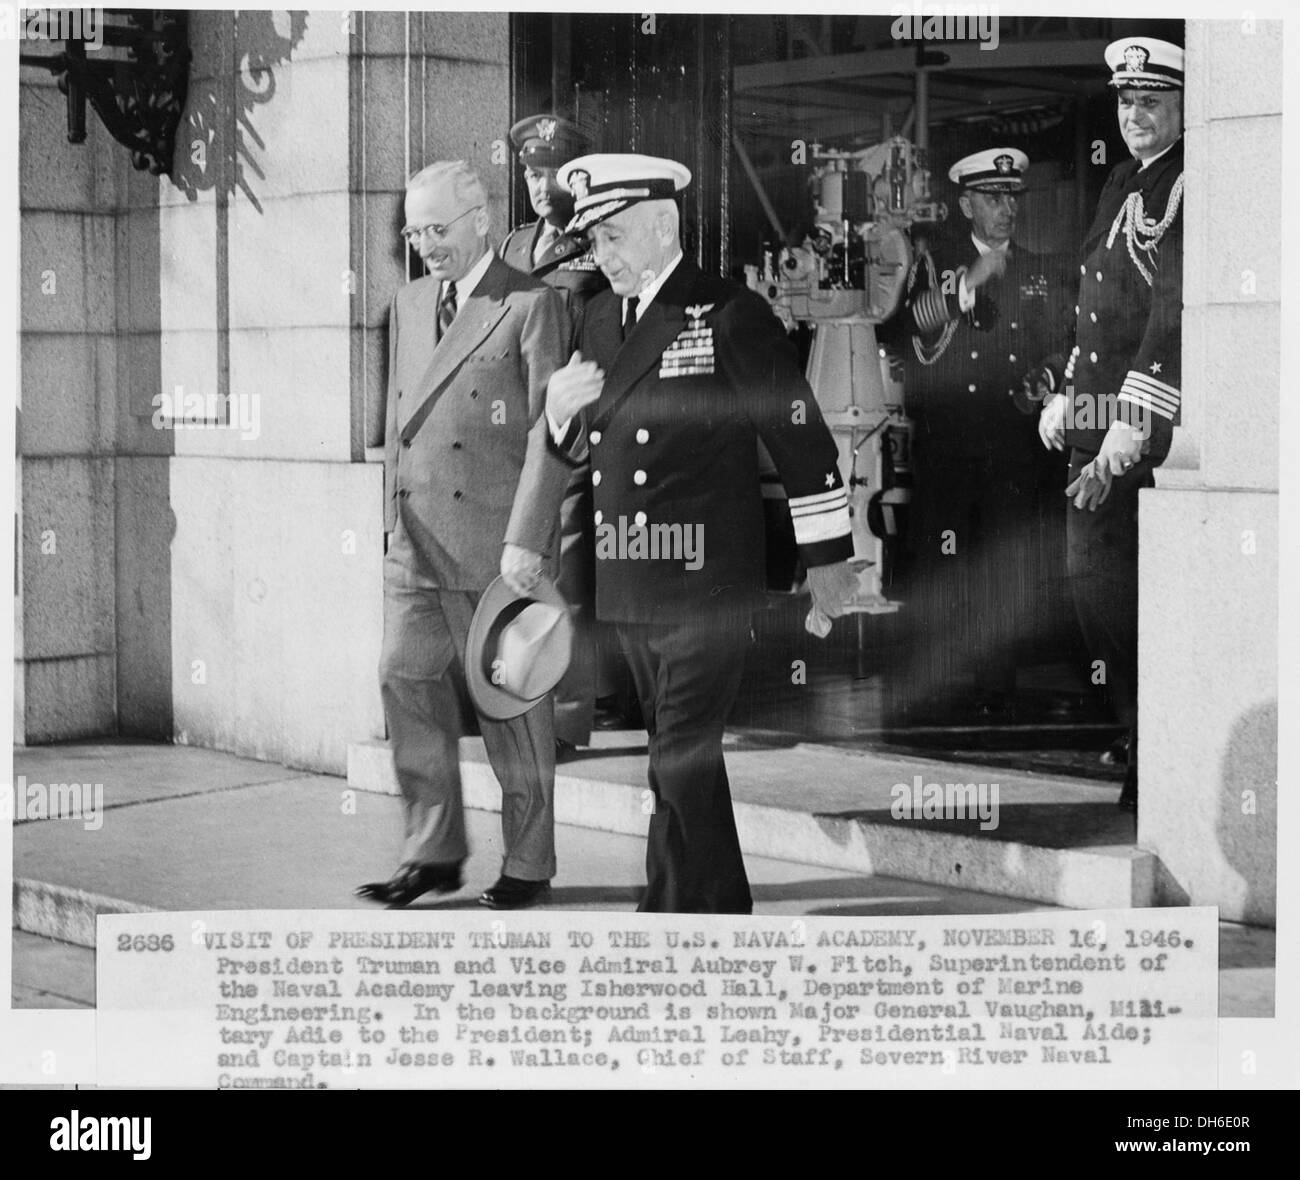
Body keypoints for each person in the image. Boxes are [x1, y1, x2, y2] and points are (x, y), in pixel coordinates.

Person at [544, 154, 859, 914]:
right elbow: (586, 449)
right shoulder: (594, 316)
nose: (605, 257)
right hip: (629, 579)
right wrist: (557, 415)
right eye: (597, 243)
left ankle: (718, 911)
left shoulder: (725, 311)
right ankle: (672, 904)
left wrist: (828, 564)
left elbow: (801, 438)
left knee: (681, 757)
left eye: (616, 237)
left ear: (664, 225)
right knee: (671, 758)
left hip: (706, 583)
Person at [357, 160, 570, 910]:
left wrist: (532, 541)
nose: (425, 246)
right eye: (414, 232)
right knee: (404, 680)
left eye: (437, 229)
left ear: (480, 218)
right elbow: (397, 423)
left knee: (512, 707)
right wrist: (389, 520)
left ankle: (529, 861)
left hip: (495, 547)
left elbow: (553, 432)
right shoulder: (409, 304)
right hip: (414, 545)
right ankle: (434, 852)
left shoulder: (530, 304)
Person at [1038, 37, 1185, 811]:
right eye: (1127, 103)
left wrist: (1129, 426)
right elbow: (1089, 300)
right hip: (1093, 422)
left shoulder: (1188, 183)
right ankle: (1140, 739)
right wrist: (1068, 389)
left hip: (1135, 432)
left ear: (1183, 109)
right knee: (1094, 592)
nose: (1135, 116)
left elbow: (1171, 314)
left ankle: (1154, 754)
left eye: (1152, 102)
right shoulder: (1121, 181)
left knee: (1116, 592)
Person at [895, 147, 1073, 721]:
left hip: (1013, 443)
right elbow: (909, 331)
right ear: (966, 202)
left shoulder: (1037, 270)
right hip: (949, 441)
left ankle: (998, 684)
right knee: (945, 562)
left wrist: (1047, 371)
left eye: (1012, 198)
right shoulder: (936, 261)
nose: (1006, 209)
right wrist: (966, 286)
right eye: (993, 198)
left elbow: (1063, 340)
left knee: (1004, 563)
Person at [499, 114, 614, 760]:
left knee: (566, 579)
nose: (538, 186)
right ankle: (518, 700)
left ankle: (567, 719)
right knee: (516, 574)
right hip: (514, 438)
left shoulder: (600, 247)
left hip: (574, 440)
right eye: (529, 172)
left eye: (549, 173)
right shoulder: (515, 250)